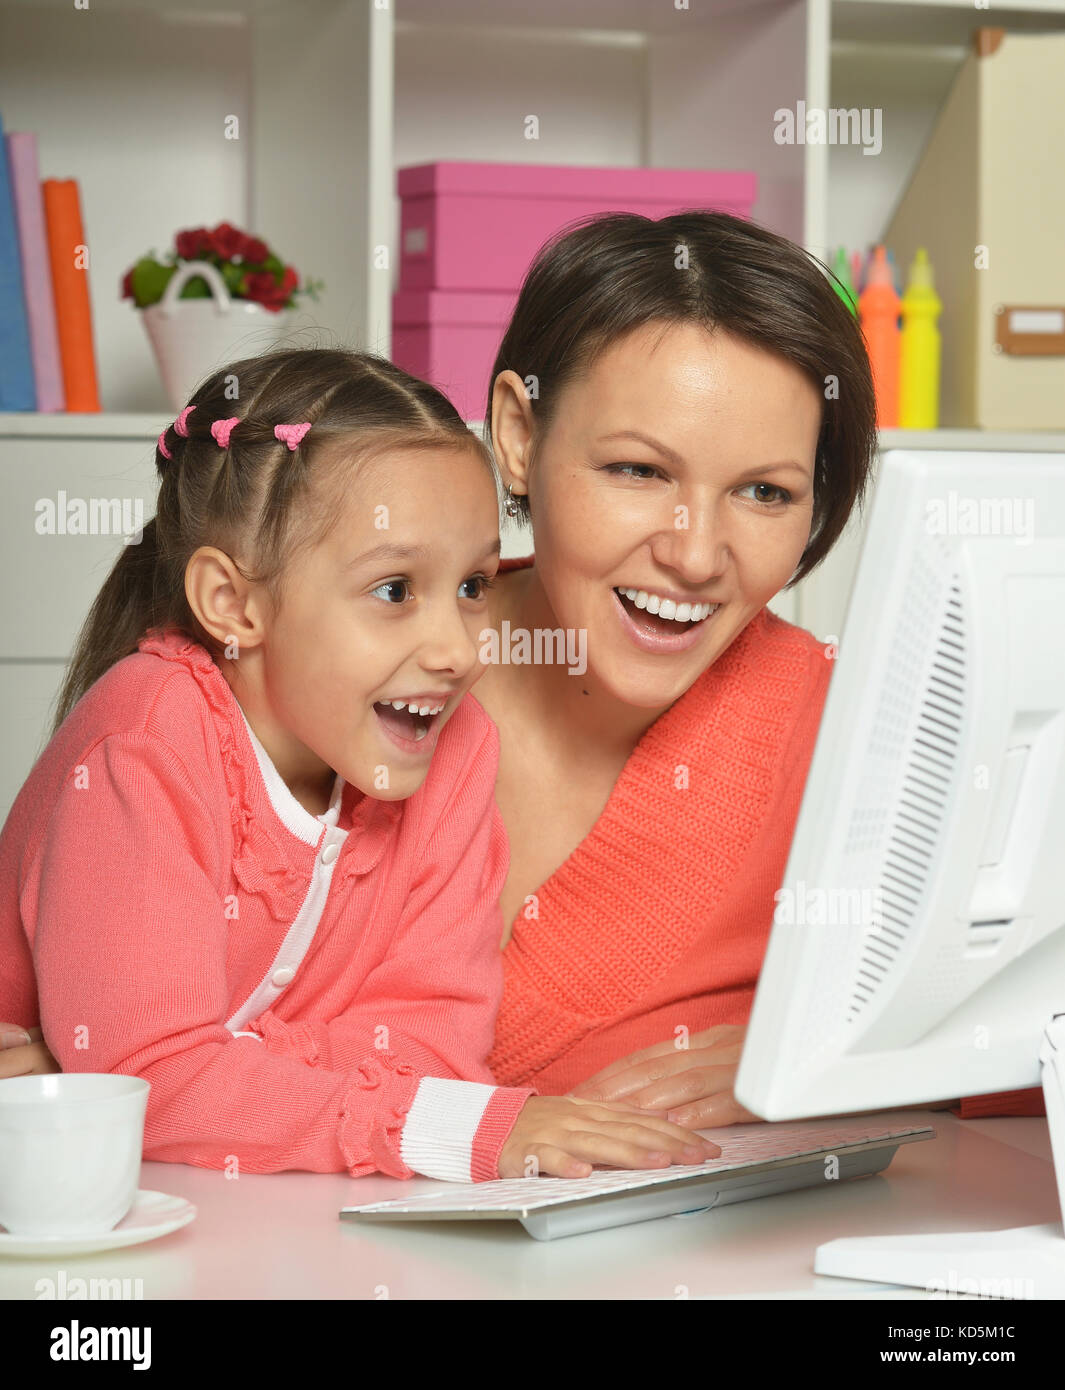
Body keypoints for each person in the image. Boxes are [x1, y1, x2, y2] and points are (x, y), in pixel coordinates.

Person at [3, 213, 1040, 1125]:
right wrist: (107, 1076)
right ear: (516, 432)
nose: (692, 551)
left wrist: (826, 1057)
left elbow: (1032, 1012)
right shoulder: (313, 682)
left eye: (764, 493)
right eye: (637, 470)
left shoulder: (858, 722)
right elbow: (147, 1012)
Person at [0, 346, 719, 1182]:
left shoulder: (454, 753)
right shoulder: (144, 746)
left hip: (227, 1200)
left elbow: (433, 1048)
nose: (457, 650)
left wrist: (216, 1067)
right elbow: (151, 1081)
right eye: (393, 591)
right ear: (233, 604)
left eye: (474, 586)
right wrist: (181, 1078)